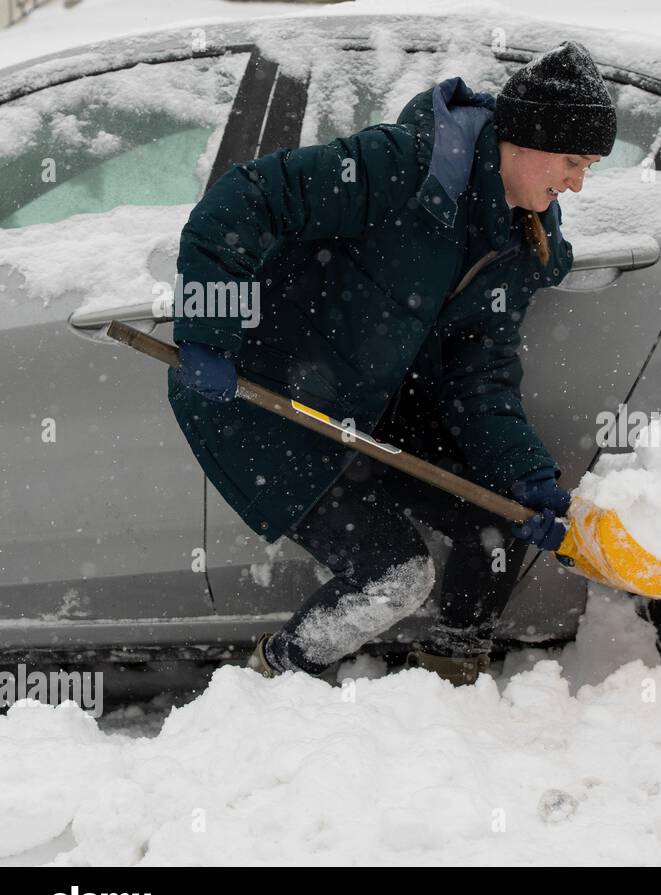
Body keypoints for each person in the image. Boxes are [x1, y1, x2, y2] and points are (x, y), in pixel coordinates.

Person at [166, 41, 617, 685]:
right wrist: (209, 330)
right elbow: (249, 197)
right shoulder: (401, 165)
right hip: (255, 392)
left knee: (500, 516)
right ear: (522, 139)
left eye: (588, 167)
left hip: (369, 405)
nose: (577, 181)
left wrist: (526, 477)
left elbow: (478, 377)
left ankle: (451, 679)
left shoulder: (516, 242)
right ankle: (271, 679)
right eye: (572, 161)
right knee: (394, 575)